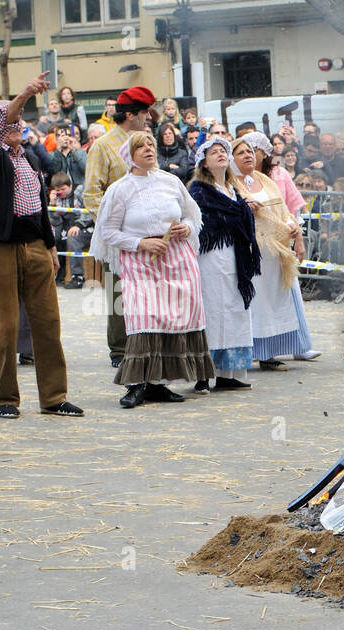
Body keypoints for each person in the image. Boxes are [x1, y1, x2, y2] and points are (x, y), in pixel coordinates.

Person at [0, 77, 82, 420]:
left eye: (19, 121)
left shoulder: (29, 160)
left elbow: (39, 210)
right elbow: (0, 127)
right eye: (7, 120)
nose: (15, 125)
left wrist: (49, 246)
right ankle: (4, 398)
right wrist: (26, 94)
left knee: (48, 322)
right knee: (3, 325)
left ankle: (53, 396)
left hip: (33, 245)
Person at [91, 131, 211, 407]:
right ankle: (136, 384)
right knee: (143, 318)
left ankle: (160, 383)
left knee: (172, 319)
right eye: (141, 146)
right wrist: (140, 243)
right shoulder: (120, 189)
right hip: (141, 261)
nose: (148, 149)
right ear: (129, 155)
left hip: (177, 258)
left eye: (151, 145)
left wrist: (187, 227)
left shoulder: (171, 182)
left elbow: (193, 215)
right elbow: (107, 231)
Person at [85, 85, 156, 368]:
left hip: (148, 232)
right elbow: (91, 193)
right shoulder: (103, 145)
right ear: (129, 115)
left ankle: (148, 342)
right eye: (144, 113)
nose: (148, 117)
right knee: (118, 294)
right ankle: (119, 349)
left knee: (149, 292)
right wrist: (110, 228)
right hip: (118, 235)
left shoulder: (148, 141)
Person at [232, 135, 313, 369]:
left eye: (250, 151)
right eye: (241, 153)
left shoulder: (265, 180)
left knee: (272, 303)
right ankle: (247, 352)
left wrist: (294, 231)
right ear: (231, 159)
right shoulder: (229, 185)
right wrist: (243, 208)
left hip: (274, 252)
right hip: (250, 252)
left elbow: (284, 210)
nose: (248, 155)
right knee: (254, 303)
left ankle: (269, 354)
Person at [189, 137, 259, 392]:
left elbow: (240, 218)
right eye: (214, 152)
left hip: (234, 257)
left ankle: (228, 373)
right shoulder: (198, 191)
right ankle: (203, 375)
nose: (220, 154)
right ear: (204, 163)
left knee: (234, 310)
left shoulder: (233, 189)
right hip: (210, 256)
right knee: (211, 311)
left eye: (223, 151)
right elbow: (198, 224)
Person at [48, 172, 91, 289]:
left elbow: (90, 211)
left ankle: (78, 277)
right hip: (64, 228)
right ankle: (57, 275)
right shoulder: (57, 199)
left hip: (85, 227)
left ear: (70, 186)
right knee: (53, 237)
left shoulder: (79, 192)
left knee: (73, 237)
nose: (60, 192)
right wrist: (52, 205)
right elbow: (55, 222)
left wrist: (78, 225)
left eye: (63, 189)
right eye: (58, 190)